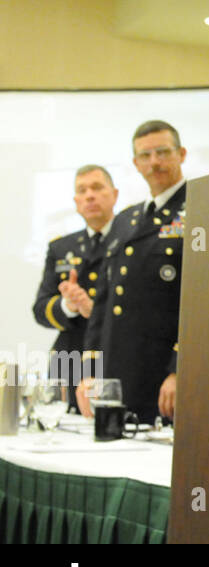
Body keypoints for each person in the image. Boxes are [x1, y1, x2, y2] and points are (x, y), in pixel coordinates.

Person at [78, 120, 187, 424]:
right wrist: (90, 372)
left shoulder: (203, 207)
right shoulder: (126, 219)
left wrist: (181, 369)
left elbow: (206, 302)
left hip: (164, 382)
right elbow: (103, 305)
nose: (154, 162)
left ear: (182, 154)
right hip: (117, 380)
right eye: (145, 155)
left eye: (163, 152)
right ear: (136, 163)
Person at [31, 165, 119, 408]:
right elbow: (40, 310)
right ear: (76, 201)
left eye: (97, 187)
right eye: (82, 190)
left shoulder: (130, 241)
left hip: (113, 352)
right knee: (58, 425)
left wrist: (96, 309)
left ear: (115, 194)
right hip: (68, 357)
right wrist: (68, 306)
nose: (89, 195)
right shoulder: (61, 248)